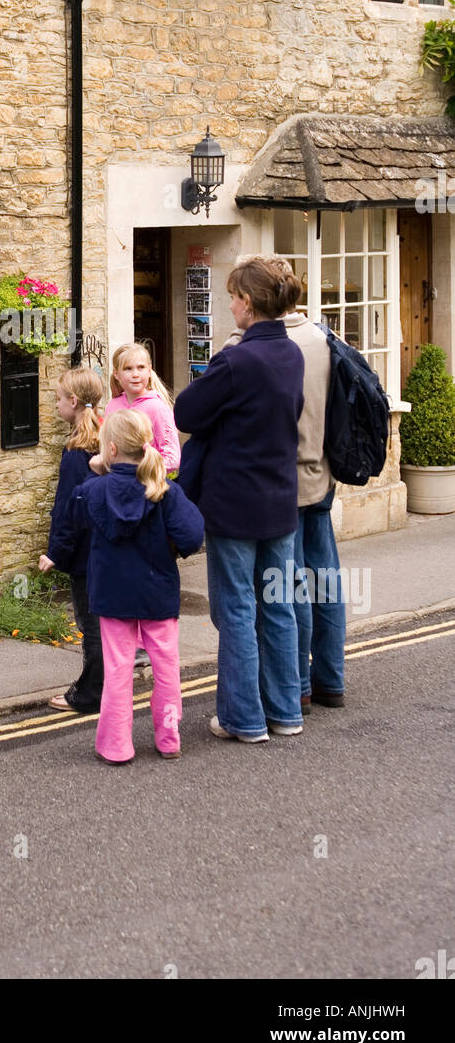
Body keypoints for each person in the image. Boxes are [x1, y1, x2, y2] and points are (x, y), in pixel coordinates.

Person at [173, 256, 305, 743]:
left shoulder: (237, 358)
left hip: (234, 504)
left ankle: (243, 719)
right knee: (277, 607)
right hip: (280, 501)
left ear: (247, 303)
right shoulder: (292, 353)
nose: (229, 304)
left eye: (232, 297)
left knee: (235, 610)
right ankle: (285, 712)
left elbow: (186, 411)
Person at [221, 258, 346, 711]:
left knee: (285, 591)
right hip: (322, 473)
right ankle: (330, 679)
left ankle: (296, 688)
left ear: (255, 297)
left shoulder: (250, 345)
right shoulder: (321, 336)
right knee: (324, 581)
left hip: (280, 483)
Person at [66, 409, 204, 763]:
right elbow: (192, 537)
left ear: (110, 449)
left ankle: (116, 745)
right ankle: (169, 739)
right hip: (157, 591)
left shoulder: (92, 491)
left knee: (117, 671)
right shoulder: (164, 490)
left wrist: (95, 474)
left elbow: (73, 520)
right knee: (166, 666)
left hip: (111, 595)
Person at [39, 367, 106, 713]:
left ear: (74, 401)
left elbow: (70, 509)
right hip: (107, 550)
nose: (55, 405)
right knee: (106, 622)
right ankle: (106, 686)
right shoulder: (104, 440)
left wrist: (55, 552)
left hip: (85, 556)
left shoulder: (75, 452)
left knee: (91, 623)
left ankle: (91, 693)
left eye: (58, 399)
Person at [103, 343, 181, 472]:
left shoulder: (157, 408)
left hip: (146, 484)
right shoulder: (112, 406)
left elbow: (172, 458)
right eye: (128, 368)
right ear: (116, 374)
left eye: (141, 367)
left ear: (149, 371)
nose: (135, 374)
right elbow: (106, 449)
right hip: (115, 482)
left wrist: (138, 472)